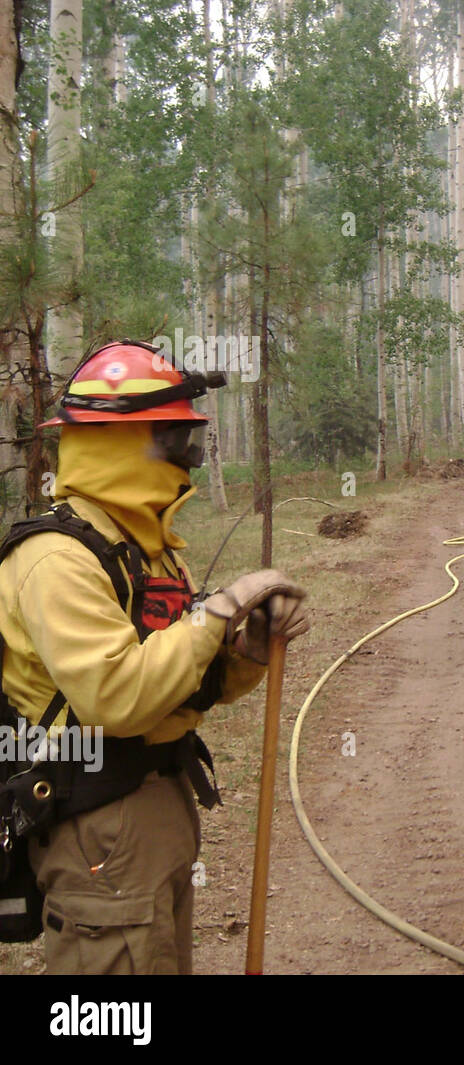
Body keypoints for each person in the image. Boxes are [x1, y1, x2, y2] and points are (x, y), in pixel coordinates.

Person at [0, 340, 310, 974]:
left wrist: (242, 653)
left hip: (157, 805)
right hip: (97, 822)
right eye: (170, 437)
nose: (188, 456)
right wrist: (215, 612)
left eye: (188, 438)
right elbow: (116, 696)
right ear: (114, 444)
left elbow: (178, 679)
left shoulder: (142, 547)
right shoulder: (57, 559)